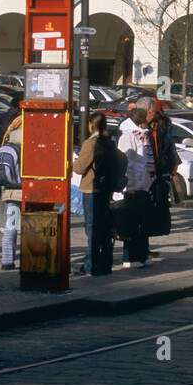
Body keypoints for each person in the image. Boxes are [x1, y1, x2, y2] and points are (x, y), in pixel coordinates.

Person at [75, 113, 124, 275]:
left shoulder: (90, 144)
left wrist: (73, 161)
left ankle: (91, 265)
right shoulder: (109, 142)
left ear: (91, 125)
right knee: (104, 228)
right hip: (106, 189)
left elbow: (80, 168)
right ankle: (105, 264)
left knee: (92, 228)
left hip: (91, 189)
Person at [116, 104, 154, 268]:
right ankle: (130, 258)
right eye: (146, 121)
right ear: (140, 122)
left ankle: (141, 255)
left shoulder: (142, 136)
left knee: (141, 223)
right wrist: (128, 186)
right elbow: (127, 163)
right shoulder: (128, 136)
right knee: (131, 224)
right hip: (133, 187)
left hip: (143, 185)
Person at [145, 106, 178, 237]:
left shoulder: (159, 127)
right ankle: (160, 227)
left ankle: (157, 227)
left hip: (158, 168)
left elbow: (168, 148)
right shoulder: (162, 126)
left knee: (158, 200)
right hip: (161, 168)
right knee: (161, 200)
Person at [0, 111, 23, 270]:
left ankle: (7, 260)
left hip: (10, 189)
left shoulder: (8, 138)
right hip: (27, 188)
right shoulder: (31, 137)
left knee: (11, 225)